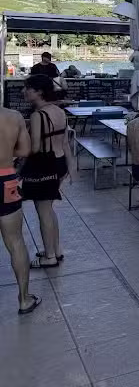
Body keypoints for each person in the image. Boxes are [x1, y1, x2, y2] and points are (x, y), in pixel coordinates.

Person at [20, 74, 75, 270]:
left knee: (43, 211)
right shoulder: (59, 112)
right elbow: (66, 142)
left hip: (43, 165)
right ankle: (55, 249)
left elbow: (34, 148)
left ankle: (49, 256)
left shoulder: (37, 116)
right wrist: (71, 168)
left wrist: (15, 152)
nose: (24, 92)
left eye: (28, 88)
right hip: (58, 162)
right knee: (49, 209)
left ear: (40, 92)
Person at [0, 105, 38, 314]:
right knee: (15, 241)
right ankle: (24, 299)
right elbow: (24, 151)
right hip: (6, 179)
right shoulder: (13, 117)